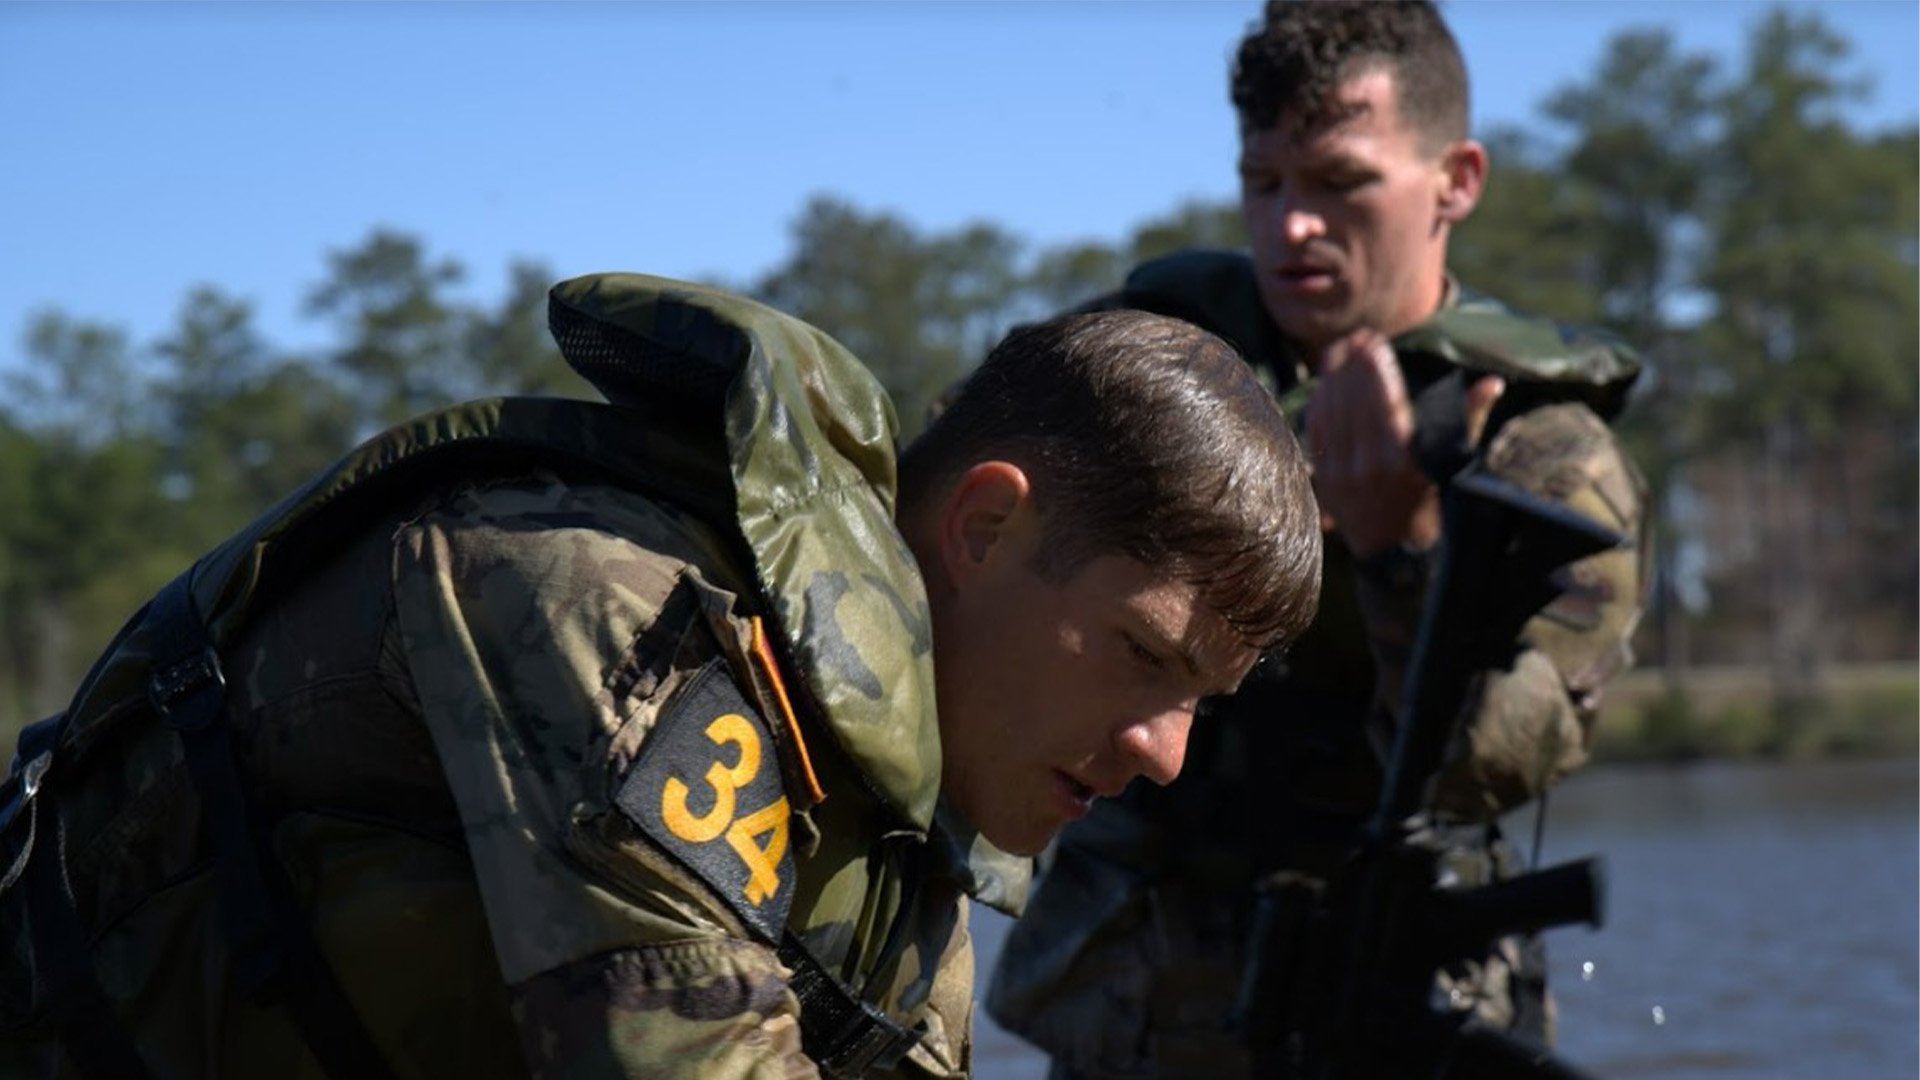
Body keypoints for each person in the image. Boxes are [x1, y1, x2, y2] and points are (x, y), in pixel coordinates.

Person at [0, 273, 1321, 1080]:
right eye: (1147, 655)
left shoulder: (907, 848)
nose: (1165, 754)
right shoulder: (612, 618)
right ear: (985, 529)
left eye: (1205, 699)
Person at [986, 2, 1649, 1076]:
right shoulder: (1127, 380)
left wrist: (1401, 549)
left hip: (1393, 1021)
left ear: (1457, 180)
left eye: (1341, 183)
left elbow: (1492, 766)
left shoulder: (1543, 453)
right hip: (1135, 1025)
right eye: (1265, 184)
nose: (1293, 225)